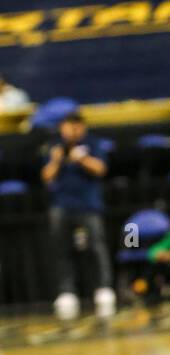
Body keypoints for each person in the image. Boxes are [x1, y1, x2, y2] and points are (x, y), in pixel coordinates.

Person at [40, 112, 115, 320]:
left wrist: (81, 158)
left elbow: (101, 169)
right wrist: (56, 161)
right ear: (62, 127)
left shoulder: (93, 143)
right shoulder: (54, 146)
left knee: (96, 247)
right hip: (61, 206)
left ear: (83, 127)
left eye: (76, 126)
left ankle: (103, 288)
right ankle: (66, 291)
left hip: (89, 205)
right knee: (61, 249)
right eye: (68, 126)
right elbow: (45, 176)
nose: (72, 130)